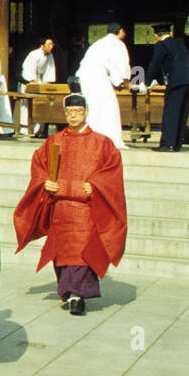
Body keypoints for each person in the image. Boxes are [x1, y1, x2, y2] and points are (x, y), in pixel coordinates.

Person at [13, 94, 127, 315]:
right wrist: (44, 181)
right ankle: (70, 292)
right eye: (69, 112)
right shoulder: (54, 141)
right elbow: (39, 164)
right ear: (65, 114)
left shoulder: (102, 143)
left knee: (82, 252)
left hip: (86, 209)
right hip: (61, 207)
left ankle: (77, 295)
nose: (73, 116)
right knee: (63, 251)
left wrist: (96, 185)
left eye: (78, 111)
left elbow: (112, 170)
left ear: (86, 112)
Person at [76, 23, 131, 151]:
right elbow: (121, 64)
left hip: (86, 75)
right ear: (120, 31)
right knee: (109, 106)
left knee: (93, 106)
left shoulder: (99, 43)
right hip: (97, 75)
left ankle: (92, 137)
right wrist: (124, 81)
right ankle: (109, 139)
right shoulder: (117, 44)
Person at [148, 23, 189, 152]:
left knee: (171, 112)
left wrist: (147, 81)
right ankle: (177, 143)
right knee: (182, 112)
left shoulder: (161, 45)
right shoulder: (180, 45)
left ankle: (167, 144)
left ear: (156, 35)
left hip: (176, 81)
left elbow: (155, 63)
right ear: (169, 33)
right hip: (187, 81)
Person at [19, 35, 57, 136]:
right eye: (49, 44)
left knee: (40, 105)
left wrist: (46, 84)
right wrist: (34, 81)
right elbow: (28, 70)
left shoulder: (50, 56)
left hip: (40, 81)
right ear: (42, 45)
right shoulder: (34, 54)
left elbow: (50, 71)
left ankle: (38, 131)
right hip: (28, 82)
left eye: (52, 44)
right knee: (27, 106)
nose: (51, 46)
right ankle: (25, 129)